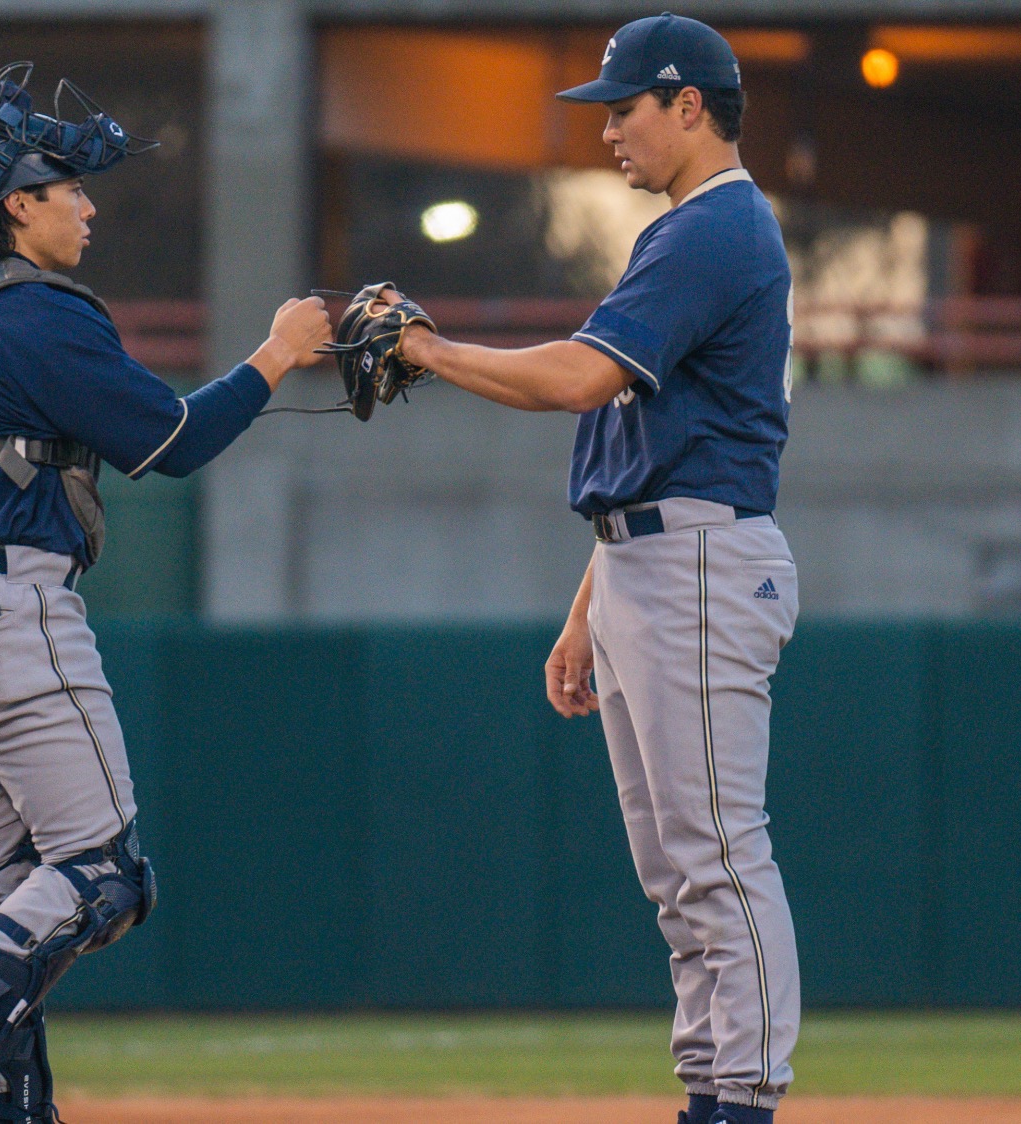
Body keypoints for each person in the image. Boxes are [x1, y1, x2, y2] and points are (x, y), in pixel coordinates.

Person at [0, 66, 331, 1124]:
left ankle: (5, 1109)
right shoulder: (39, 317)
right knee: (105, 874)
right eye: (68, 189)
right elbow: (174, 442)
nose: (88, 206)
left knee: (6, 890)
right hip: (8, 611)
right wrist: (277, 354)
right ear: (16, 203)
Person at [386, 15, 800, 1124]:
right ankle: (712, 1090)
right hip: (646, 558)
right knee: (679, 875)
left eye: (623, 107)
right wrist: (586, 605)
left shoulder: (714, 229)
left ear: (689, 107)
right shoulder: (681, 232)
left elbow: (574, 380)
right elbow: (634, 445)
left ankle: (741, 1099)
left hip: (701, 559)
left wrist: (427, 349)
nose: (606, 127)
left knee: (714, 855)